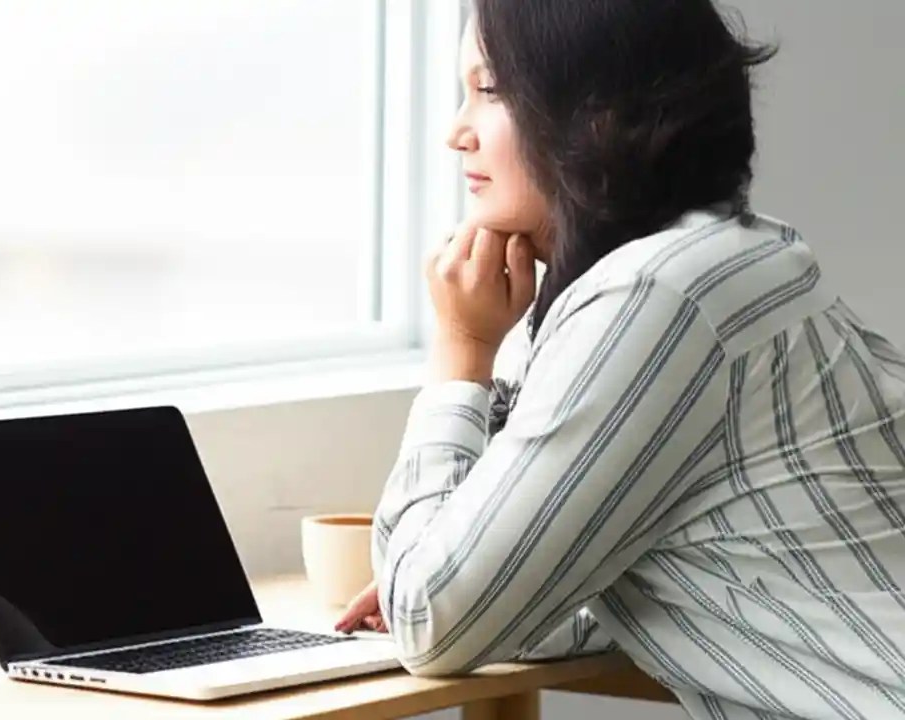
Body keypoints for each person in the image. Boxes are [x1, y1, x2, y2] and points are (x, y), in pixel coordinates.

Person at [334, 1, 905, 718]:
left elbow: (428, 621)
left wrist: (462, 350)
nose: (456, 132)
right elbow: (676, 583)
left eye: (489, 90)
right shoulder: (731, 259)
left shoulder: (657, 298)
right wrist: (470, 579)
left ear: (596, 114)